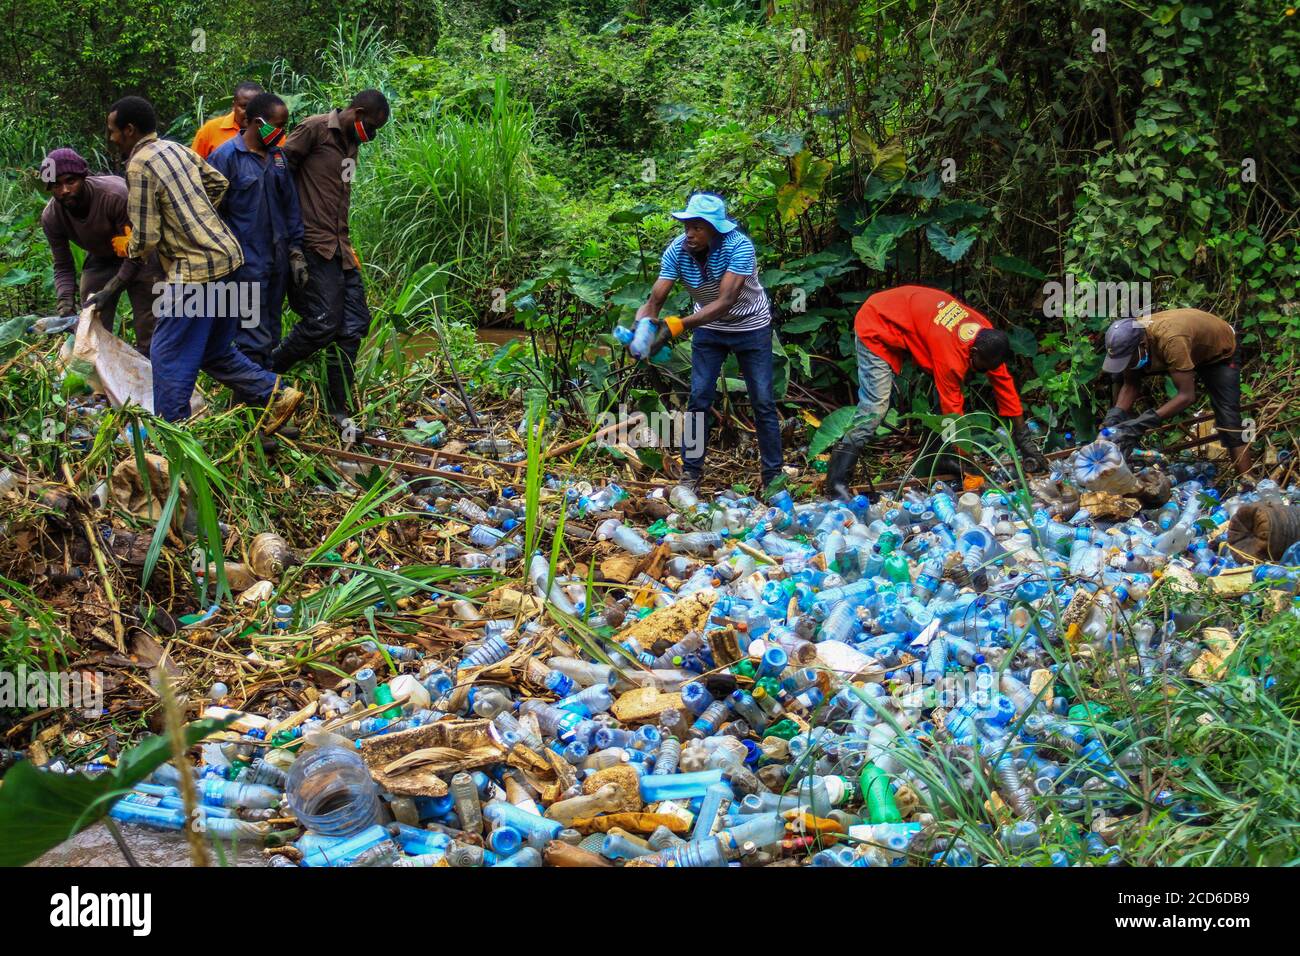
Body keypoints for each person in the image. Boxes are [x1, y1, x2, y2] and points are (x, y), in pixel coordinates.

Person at [107, 95, 301, 429]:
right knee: (215, 352)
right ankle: (277, 392)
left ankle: (174, 434)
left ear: (128, 130)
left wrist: (131, 247)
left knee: (165, 353)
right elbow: (218, 183)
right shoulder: (176, 148)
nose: (111, 138)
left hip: (194, 271)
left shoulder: (138, 164)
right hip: (228, 258)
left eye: (113, 131)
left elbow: (147, 235)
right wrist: (193, 215)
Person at [824, 285, 1048, 500]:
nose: (980, 372)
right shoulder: (950, 356)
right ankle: (836, 484)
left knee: (939, 403)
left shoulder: (985, 333)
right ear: (974, 351)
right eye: (980, 366)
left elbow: (1004, 385)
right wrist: (971, 464)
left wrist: (1024, 441)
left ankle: (940, 460)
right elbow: (953, 414)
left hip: (907, 315)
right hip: (877, 322)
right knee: (876, 406)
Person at [633, 192, 784, 492]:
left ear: (715, 229)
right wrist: (641, 332)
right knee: (699, 399)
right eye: (687, 225)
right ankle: (691, 474)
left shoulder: (739, 247)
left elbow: (725, 301)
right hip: (709, 328)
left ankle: (773, 478)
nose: (690, 233)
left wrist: (677, 327)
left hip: (750, 326)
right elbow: (655, 299)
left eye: (698, 227)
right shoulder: (677, 250)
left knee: (763, 401)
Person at [270, 89, 389, 427]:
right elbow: (279, 173)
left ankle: (338, 409)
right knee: (321, 324)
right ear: (358, 111)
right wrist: (290, 243)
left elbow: (338, 198)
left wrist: (347, 246)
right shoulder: (314, 129)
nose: (372, 134)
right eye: (371, 126)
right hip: (310, 244)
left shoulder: (353, 144)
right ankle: (263, 377)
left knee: (353, 325)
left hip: (340, 247)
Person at [206, 91, 308, 375]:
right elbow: (210, 214)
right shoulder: (225, 158)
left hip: (276, 262)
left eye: (284, 127)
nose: (281, 133)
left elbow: (290, 206)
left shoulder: (278, 158)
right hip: (243, 264)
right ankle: (254, 404)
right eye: (276, 126)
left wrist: (295, 252)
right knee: (250, 336)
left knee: (271, 330)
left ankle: (265, 399)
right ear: (255, 121)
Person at [39, 147, 163, 355]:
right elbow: (63, 265)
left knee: (149, 328)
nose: (64, 190)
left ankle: (149, 373)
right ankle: (103, 376)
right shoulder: (51, 217)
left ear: (84, 177)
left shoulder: (115, 196)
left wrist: (111, 288)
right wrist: (65, 304)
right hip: (101, 258)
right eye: (56, 185)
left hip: (140, 255)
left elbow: (136, 252)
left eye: (70, 181)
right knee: (91, 325)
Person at [1099, 310, 1251, 474]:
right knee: (1119, 384)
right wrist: (1114, 419)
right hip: (1182, 346)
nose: (1126, 365)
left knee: (1228, 418)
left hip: (1218, 351)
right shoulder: (1131, 339)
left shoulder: (1171, 340)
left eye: (1127, 360)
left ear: (1142, 346)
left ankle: (1247, 482)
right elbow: (1130, 385)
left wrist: (1141, 424)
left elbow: (1186, 396)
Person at [191, 81, 264, 160]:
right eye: (244, 106)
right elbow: (193, 165)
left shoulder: (271, 130)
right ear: (233, 106)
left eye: (256, 107)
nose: (250, 112)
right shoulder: (210, 129)